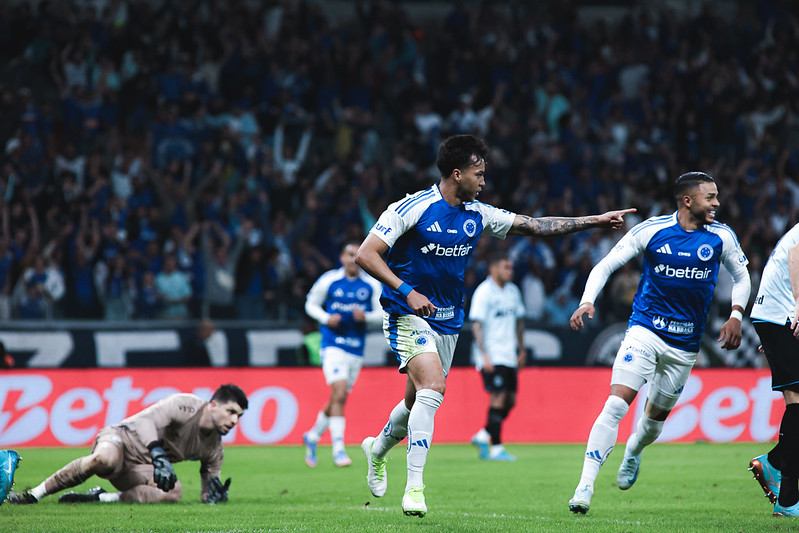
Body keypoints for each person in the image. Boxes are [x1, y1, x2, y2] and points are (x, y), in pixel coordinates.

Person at [355, 134, 634, 517]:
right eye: (478, 173)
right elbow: (365, 254)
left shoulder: (479, 214)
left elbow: (535, 226)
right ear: (457, 174)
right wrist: (407, 291)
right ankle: (415, 488)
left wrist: (594, 222)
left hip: (448, 320)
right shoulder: (410, 208)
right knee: (434, 388)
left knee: (413, 402)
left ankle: (377, 449)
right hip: (406, 313)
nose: (484, 181)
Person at [567, 171, 751, 514]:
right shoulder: (652, 230)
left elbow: (742, 276)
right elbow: (606, 265)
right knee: (616, 405)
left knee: (652, 424)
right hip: (645, 331)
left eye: (716, 197)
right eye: (710, 197)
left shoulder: (722, 236)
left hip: (684, 345)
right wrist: (587, 300)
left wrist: (737, 314)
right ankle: (585, 487)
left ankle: (634, 450)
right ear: (687, 200)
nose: (717, 203)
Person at [7, 384, 247, 505]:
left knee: (174, 492)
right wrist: (158, 453)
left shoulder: (214, 449)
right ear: (213, 404)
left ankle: (101, 498)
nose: (235, 421)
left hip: (142, 467)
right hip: (121, 441)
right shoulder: (185, 405)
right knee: (103, 460)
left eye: (239, 416)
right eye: (231, 412)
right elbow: (145, 421)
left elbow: (208, 491)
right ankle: (34, 495)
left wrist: (214, 496)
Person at [302, 242, 382, 468]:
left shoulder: (371, 285)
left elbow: (382, 311)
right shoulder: (329, 280)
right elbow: (311, 304)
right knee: (338, 391)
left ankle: (313, 435)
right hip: (332, 343)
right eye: (349, 254)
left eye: (357, 255)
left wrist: (366, 316)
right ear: (342, 258)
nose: (353, 259)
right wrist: (326, 318)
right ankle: (338, 449)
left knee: (339, 397)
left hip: (356, 347)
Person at [748, 222, 799, 517]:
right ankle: (789, 499)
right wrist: (797, 307)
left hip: (778, 318)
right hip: (783, 315)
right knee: (797, 402)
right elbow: (796, 254)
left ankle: (774, 464)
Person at [469, 255, 526, 462]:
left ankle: (483, 435)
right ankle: (496, 448)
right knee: (498, 398)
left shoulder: (513, 291)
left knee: (510, 401)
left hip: (509, 354)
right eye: (506, 266)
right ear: (493, 268)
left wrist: (521, 349)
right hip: (492, 355)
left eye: (511, 267)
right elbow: (477, 325)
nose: (510, 271)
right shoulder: (484, 292)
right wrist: (484, 355)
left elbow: (519, 321)